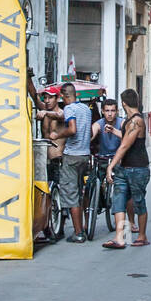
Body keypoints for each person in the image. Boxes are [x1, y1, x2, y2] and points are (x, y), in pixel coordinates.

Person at [104, 88, 150, 248]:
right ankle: (119, 237)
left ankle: (142, 236)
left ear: (123, 103)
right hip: (124, 168)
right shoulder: (128, 121)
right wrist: (115, 131)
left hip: (138, 168)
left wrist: (110, 166)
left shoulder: (137, 121)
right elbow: (126, 138)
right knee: (118, 200)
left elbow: (125, 145)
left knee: (138, 201)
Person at [50, 81, 92, 242]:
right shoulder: (85, 109)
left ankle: (78, 233)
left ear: (63, 96)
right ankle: (87, 226)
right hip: (85, 155)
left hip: (72, 156)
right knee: (82, 193)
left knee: (71, 195)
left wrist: (58, 135)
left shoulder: (69, 109)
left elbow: (72, 129)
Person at [92, 99, 133, 231]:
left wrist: (114, 131)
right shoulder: (99, 123)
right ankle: (96, 206)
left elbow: (128, 137)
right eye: (107, 111)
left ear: (117, 112)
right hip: (103, 159)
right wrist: (90, 137)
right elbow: (93, 132)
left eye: (113, 111)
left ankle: (131, 222)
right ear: (103, 111)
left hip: (119, 160)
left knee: (125, 191)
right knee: (92, 182)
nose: (110, 114)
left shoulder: (122, 122)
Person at [36, 86, 65, 240]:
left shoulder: (59, 112)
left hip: (57, 159)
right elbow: (33, 94)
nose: (47, 101)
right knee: (44, 193)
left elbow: (61, 116)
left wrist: (45, 112)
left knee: (58, 193)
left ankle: (59, 227)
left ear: (57, 98)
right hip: (42, 159)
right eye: (45, 98)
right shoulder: (44, 110)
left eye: (50, 98)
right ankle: (46, 224)